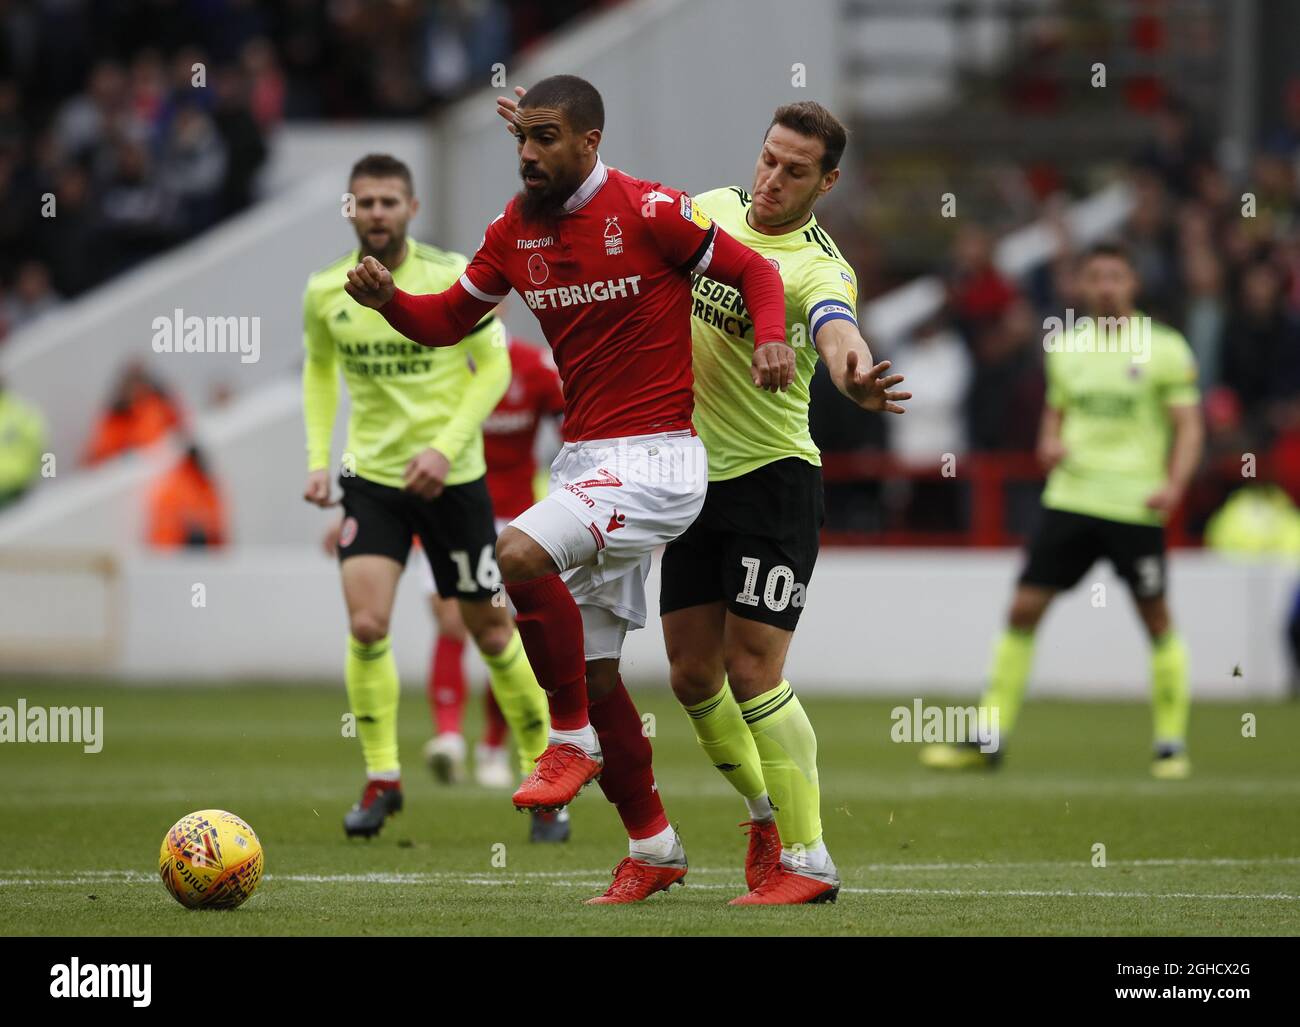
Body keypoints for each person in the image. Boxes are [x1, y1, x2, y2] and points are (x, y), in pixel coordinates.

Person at [345, 74, 790, 903]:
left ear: (591, 142)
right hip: (586, 464)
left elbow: (758, 272)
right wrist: (389, 302)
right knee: (600, 671)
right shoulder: (514, 230)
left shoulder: (649, 209)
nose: (526, 152)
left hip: (658, 460)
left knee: (513, 553)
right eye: (522, 137)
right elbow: (446, 320)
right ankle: (654, 845)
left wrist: (772, 338)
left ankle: (569, 736)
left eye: (545, 137)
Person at [302, 153, 549, 839]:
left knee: (491, 631)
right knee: (366, 625)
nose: (377, 212)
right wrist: (318, 461)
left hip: (455, 482)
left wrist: (445, 446)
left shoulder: (453, 276)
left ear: (411, 208)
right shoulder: (324, 290)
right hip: (373, 483)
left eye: (389, 200)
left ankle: (542, 774)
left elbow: (494, 367)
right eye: (366, 201)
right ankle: (383, 778)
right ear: (351, 210)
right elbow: (319, 370)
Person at [922, 242, 1204, 778]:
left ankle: (1170, 744)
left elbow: (1189, 426)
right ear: (1080, 285)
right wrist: (1048, 443)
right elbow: (1056, 414)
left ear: (1133, 283)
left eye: (1115, 276)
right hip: (1071, 498)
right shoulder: (1067, 347)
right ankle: (988, 738)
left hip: (1134, 504)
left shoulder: (1165, 348)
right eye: (1095, 277)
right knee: (1022, 610)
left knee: (1156, 619)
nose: (1106, 287)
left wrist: (1174, 485)